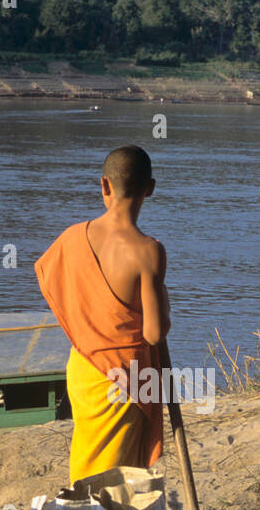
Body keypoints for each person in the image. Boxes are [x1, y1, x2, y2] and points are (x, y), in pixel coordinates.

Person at [36, 145, 169, 482]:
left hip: (83, 367)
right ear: (150, 189)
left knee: (88, 458)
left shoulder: (71, 237)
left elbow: (51, 280)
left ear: (104, 186)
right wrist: (163, 301)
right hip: (126, 375)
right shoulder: (148, 250)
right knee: (115, 475)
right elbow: (154, 333)